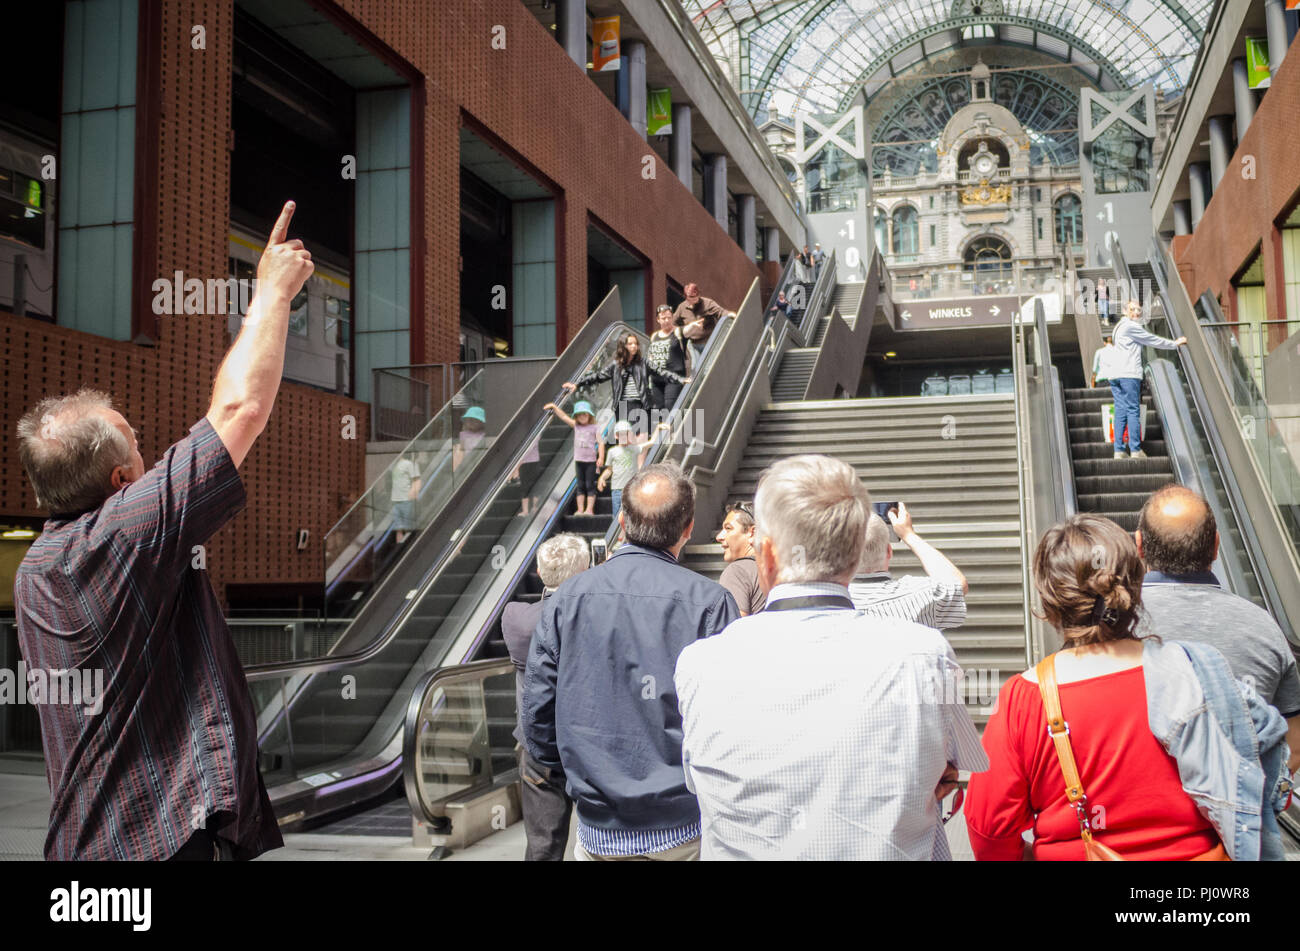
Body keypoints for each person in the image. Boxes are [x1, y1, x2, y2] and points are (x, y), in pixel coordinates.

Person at [12, 200, 312, 860]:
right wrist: (269, 294)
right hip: (157, 846)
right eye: (140, 450)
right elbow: (241, 408)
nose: (152, 461)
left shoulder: (37, 567)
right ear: (123, 483)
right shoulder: (121, 536)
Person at [674, 455, 987, 859]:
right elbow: (953, 765)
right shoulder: (924, 655)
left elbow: (700, 780)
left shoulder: (700, 664)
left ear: (765, 556)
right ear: (857, 556)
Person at [966, 514, 1290, 861]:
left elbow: (988, 829)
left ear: (1050, 602)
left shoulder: (1023, 698)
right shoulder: (1197, 667)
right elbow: (1268, 758)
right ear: (1135, 584)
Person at [521, 463, 740, 861]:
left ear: (620, 522)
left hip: (598, 826)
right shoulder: (711, 604)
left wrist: (579, 776)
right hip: (684, 828)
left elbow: (537, 713)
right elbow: (730, 722)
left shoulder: (566, 599)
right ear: (688, 528)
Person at [1135, 485, 1300, 771]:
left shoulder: (1109, 627)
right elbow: (1294, 745)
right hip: (1243, 811)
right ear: (1216, 545)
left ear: (1138, 545)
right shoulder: (1264, 627)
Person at [501, 533, 591, 861]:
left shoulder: (516, 618)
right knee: (603, 840)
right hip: (588, 745)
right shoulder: (592, 618)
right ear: (584, 571)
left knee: (542, 845)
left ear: (539, 573)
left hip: (537, 747)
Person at [848, 503, 967, 628]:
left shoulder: (829, 604)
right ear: (889, 551)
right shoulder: (920, 595)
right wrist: (908, 535)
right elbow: (957, 582)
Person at [1109, 298, 1186, 459]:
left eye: (1138, 310)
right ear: (1124, 311)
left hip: (1115, 375)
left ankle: (1119, 450)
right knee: (1132, 409)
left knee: (1120, 411)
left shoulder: (1118, 327)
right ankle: (1136, 450)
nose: (1136, 312)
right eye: (1132, 309)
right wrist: (1174, 344)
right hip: (1128, 374)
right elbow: (1152, 339)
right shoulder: (1131, 326)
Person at [563, 333, 674, 436]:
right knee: (625, 437)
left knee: (642, 437)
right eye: (630, 344)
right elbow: (598, 376)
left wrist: (680, 379)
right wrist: (577, 384)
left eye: (636, 343)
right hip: (623, 407)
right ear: (623, 346)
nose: (634, 346)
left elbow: (662, 372)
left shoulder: (643, 363)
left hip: (641, 405)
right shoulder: (616, 365)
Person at [597, 419, 669, 531]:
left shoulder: (634, 449)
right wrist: (602, 478)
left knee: (632, 513)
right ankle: (618, 538)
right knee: (617, 516)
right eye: (621, 434)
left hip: (631, 488)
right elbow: (609, 470)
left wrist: (658, 428)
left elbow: (651, 442)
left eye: (626, 434)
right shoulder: (612, 452)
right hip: (617, 489)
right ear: (616, 436)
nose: (624, 437)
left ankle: (629, 535)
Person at [542, 399, 599, 516]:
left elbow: (601, 443)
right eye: (580, 415)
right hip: (579, 460)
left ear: (589, 415)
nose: (583, 417)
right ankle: (580, 509)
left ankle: (589, 509)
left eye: (585, 414)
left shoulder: (594, 427)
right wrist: (555, 407)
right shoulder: (576, 426)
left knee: (590, 485)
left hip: (590, 460)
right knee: (580, 485)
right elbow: (564, 417)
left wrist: (601, 458)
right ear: (576, 416)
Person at [714, 500, 765, 616]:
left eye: (728, 528)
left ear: (752, 533)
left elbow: (732, 628)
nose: (719, 537)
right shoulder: (779, 570)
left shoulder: (737, 571)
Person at [674, 282, 736, 371]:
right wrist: (685, 329)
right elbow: (673, 323)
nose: (694, 299)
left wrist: (731, 314)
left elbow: (721, 312)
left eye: (695, 297)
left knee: (709, 368)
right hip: (694, 344)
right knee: (695, 369)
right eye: (690, 297)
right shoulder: (682, 308)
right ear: (686, 297)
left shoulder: (707, 303)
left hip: (709, 342)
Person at [645, 304, 691, 413]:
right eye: (663, 318)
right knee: (659, 410)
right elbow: (651, 355)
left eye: (669, 318)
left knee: (670, 406)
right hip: (657, 378)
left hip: (674, 377)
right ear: (658, 320)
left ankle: (673, 429)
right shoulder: (654, 336)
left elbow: (688, 330)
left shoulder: (678, 332)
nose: (666, 320)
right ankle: (663, 430)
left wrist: (695, 325)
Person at [390, 451, 421, 544]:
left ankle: (406, 547)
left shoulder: (410, 464)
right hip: (396, 500)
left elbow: (417, 480)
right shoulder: (395, 465)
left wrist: (414, 493)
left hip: (406, 500)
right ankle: (399, 548)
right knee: (399, 528)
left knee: (407, 527)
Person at [452, 405, 486, 472]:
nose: (471, 423)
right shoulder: (463, 434)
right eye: (469, 420)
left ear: (482, 422)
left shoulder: (483, 434)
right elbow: (461, 448)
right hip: (466, 460)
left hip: (478, 458)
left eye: (475, 420)